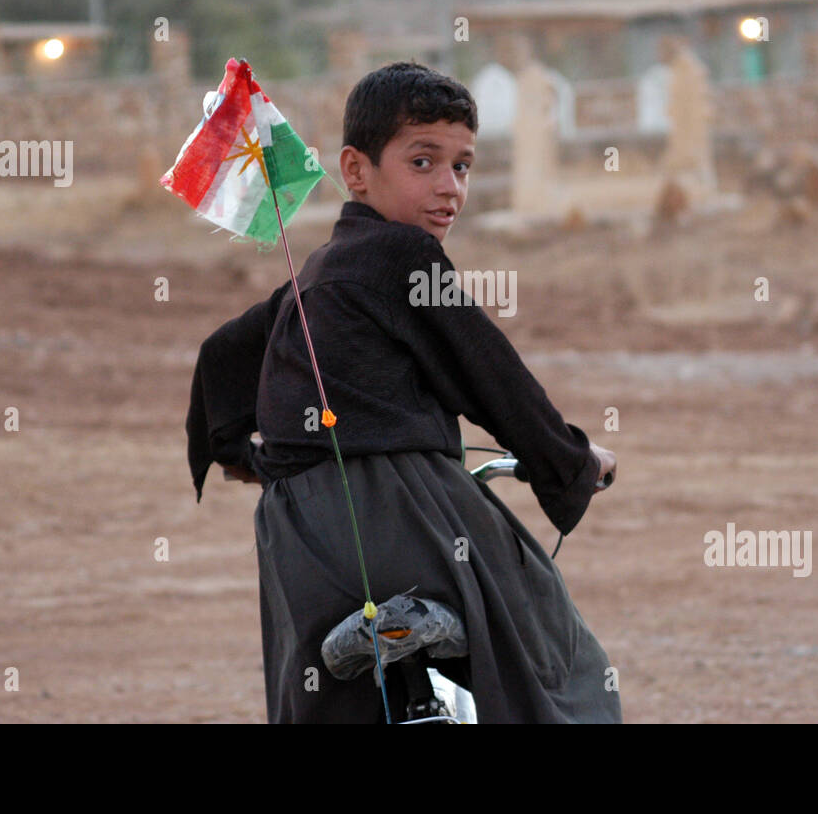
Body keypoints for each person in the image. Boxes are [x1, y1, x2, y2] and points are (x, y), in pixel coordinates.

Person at [184, 60, 621, 723]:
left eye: (463, 167)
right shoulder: (403, 257)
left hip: (298, 537)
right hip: (404, 512)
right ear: (355, 171)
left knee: (331, 706)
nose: (449, 187)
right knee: (563, 665)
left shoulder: (314, 278)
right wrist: (571, 464)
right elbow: (492, 376)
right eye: (423, 162)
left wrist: (248, 457)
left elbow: (220, 356)